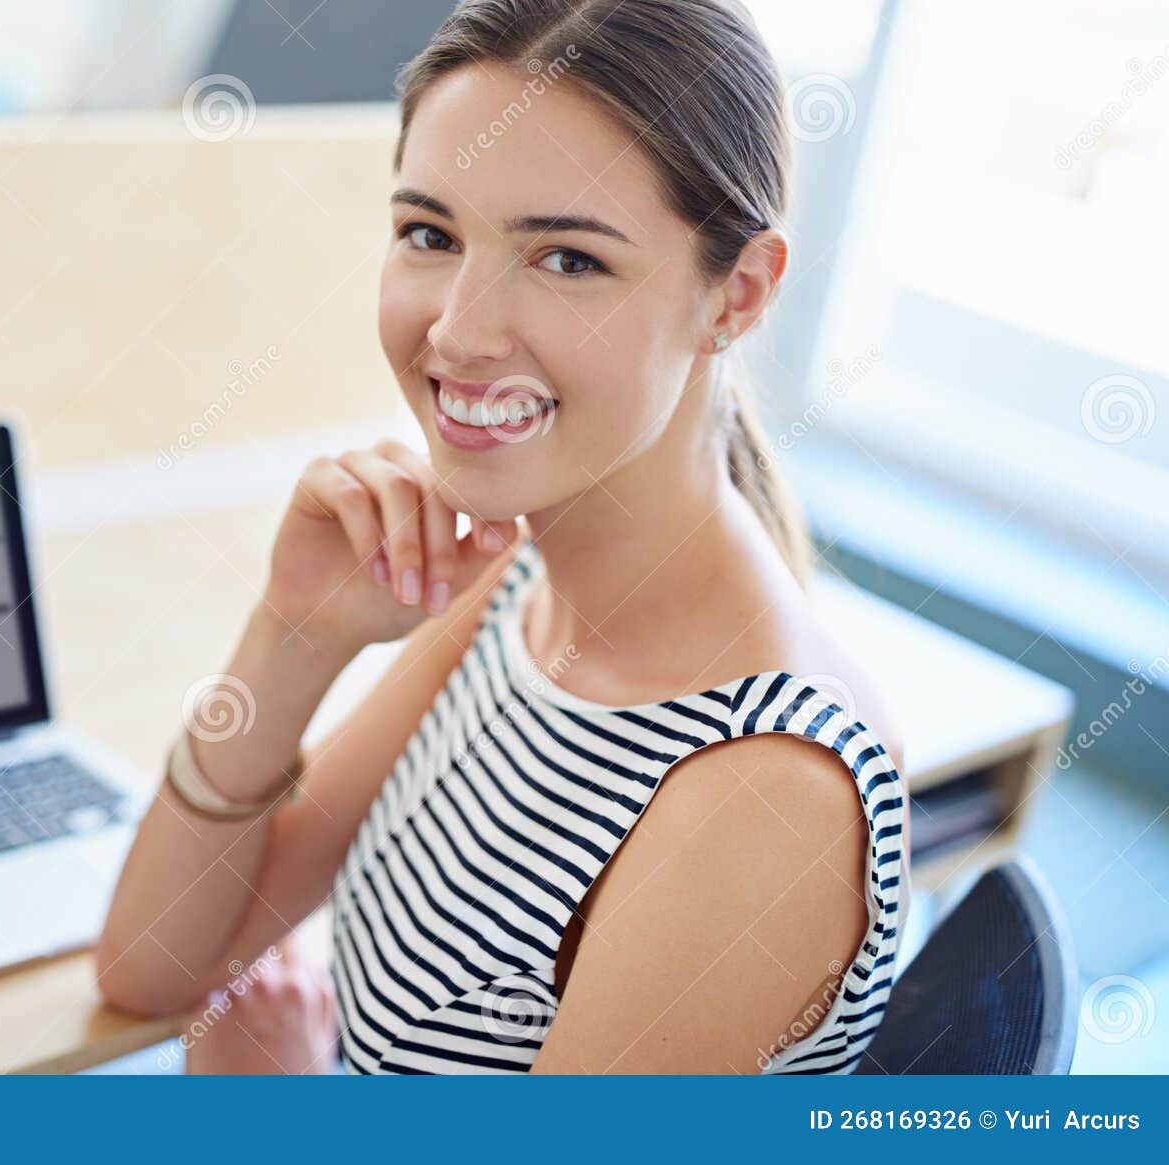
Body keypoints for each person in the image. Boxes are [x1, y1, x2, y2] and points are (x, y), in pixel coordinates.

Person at [98, 0, 911, 1074]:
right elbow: (151, 965)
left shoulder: (761, 797)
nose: (458, 330)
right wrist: (293, 635)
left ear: (738, 294)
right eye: (429, 235)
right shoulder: (518, 585)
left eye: (567, 259)